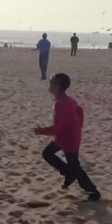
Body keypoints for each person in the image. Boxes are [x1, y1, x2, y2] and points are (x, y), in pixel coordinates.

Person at [35, 73, 101, 202]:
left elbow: (58, 127)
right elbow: (79, 111)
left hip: (69, 139)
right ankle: (69, 173)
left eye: (53, 82)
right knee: (49, 154)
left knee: (74, 166)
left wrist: (41, 131)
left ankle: (92, 191)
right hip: (67, 137)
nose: (50, 84)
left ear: (59, 86)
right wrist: (77, 128)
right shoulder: (67, 100)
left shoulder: (62, 103)